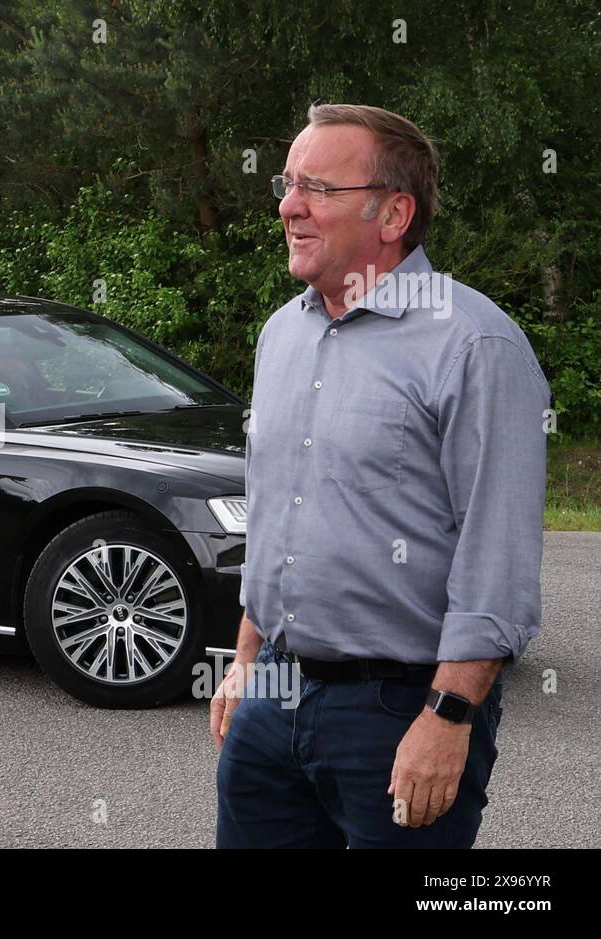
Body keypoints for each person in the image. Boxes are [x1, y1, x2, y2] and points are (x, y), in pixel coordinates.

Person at [210, 103, 551, 848]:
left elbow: (497, 560)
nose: (288, 206)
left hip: (401, 710)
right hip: (273, 693)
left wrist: (449, 717)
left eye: (317, 189)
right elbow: (275, 517)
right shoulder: (283, 333)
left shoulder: (474, 345)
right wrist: (244, 663)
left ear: (394, 213)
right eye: (287, 183)